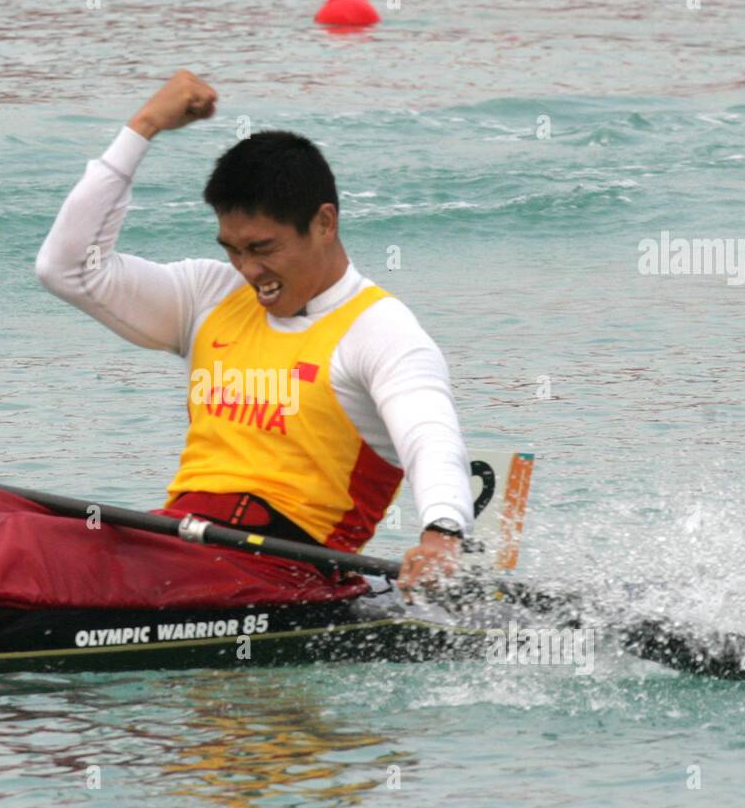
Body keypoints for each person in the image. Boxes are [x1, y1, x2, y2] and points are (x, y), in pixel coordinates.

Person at [35, 70, 473, 595]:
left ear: (324, 223)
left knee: (27, 551)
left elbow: (430, 436)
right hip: (174, 547)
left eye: (262, 249)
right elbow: (67, 270)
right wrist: (143, 127)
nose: (247, 270)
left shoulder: (380, 330)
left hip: (284, 577)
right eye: (232, 249)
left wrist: (443, 532)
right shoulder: (208, 295)